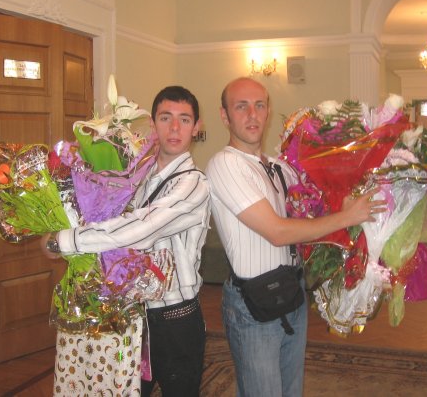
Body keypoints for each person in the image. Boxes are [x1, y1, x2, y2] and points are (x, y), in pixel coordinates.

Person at [205, 77, 386, 397]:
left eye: (259, 105)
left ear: (268, 111)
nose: (252, 114)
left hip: (291, 292)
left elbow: (314, 213)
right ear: (225, 116)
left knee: (291, 390)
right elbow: (277, 232)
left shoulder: (279, 167)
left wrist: (349, 196)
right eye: (241, 107)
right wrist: (347, 217)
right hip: (254, 303)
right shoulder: (225, 164)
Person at [47, 86, 211, 397]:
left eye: (184, 120)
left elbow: (141, 229)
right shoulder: (138, 175)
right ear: (152, 123)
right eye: (166, 118)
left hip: (175, 318)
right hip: (133, 314)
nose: (174, 128)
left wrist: (67, 240)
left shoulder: (194, 183)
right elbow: (108, 218)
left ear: (196, 127)